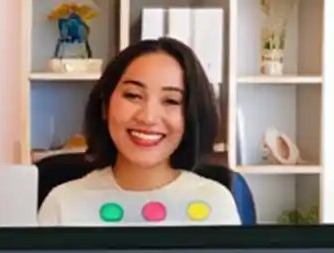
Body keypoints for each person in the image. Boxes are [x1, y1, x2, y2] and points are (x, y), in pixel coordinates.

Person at [38, 37, 242, 226]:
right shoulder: (62, 203)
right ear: (105, 106)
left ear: (190, 117)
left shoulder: (216, 203)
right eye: (133, 95)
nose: (148, 117)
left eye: (171, 100)